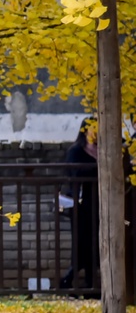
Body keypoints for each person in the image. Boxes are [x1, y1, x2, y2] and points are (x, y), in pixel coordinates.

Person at [60, 119, 99, 290]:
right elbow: (74, 172)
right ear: (85, 131)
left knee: (96, 241)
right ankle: (70, 277)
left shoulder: (103, 149)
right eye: (93, 128)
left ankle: (91, 281)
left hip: (98, 203)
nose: (97, 132)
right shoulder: (76, 151)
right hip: (81, 204)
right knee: (82, 242)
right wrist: (97, 168)